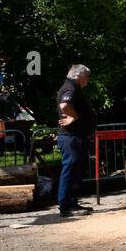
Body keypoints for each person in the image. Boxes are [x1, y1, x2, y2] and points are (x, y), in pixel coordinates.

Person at [55, 64, 95, 217]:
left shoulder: (72, 87)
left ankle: (71, 202)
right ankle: (65, 205)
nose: (88, 80)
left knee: (74, 172)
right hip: (71, 137)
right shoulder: (70, 88)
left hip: (75, 137)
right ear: (79, 76)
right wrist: (75, 116)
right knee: (70, 171)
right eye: (87, 76)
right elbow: (64, 105)